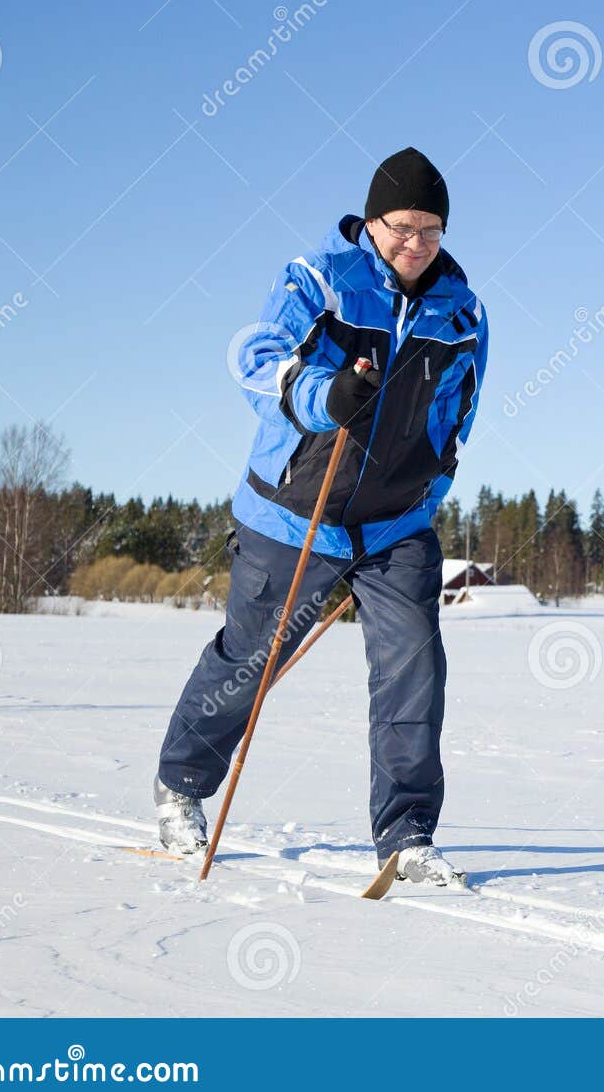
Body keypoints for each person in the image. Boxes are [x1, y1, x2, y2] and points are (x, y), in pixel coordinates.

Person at [153, 147, 489, 887]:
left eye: (432, 229)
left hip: (396, 526)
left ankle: (407, 837)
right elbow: (254, 353)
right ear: (371, 222)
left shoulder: (462, 312)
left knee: (414, 671)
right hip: (295, 514)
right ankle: (180, 784)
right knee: (249, 660)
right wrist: (322, 395)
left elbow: (458, 415)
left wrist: (427, 494)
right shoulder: (320, 281)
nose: (417, 243)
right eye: (404, 226)